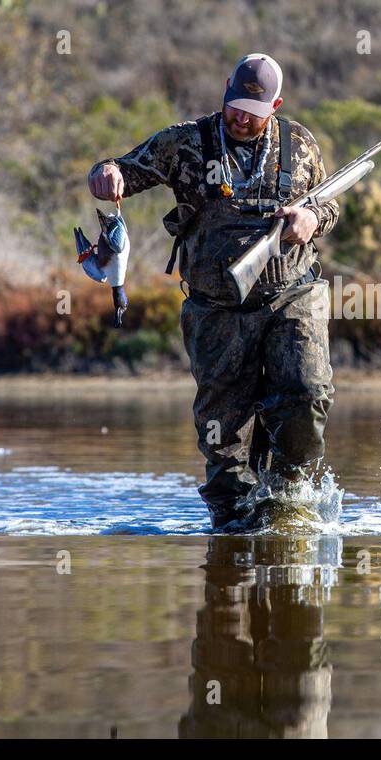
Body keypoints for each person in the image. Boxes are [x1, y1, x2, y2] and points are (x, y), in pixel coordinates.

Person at [88, 53, 336, 530]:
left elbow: (329, 206)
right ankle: (231, 530)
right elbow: (120, 170)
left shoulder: (300, 145)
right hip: (216, 308)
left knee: (307, 393)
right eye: (235, 104)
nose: (241, 117)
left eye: (254, 111)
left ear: (276, 106)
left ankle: (289, 499)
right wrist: (106, 175)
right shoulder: (184, 142)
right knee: (223, 435)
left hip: (291, 296)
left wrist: (312, 219)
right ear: (225, 89)